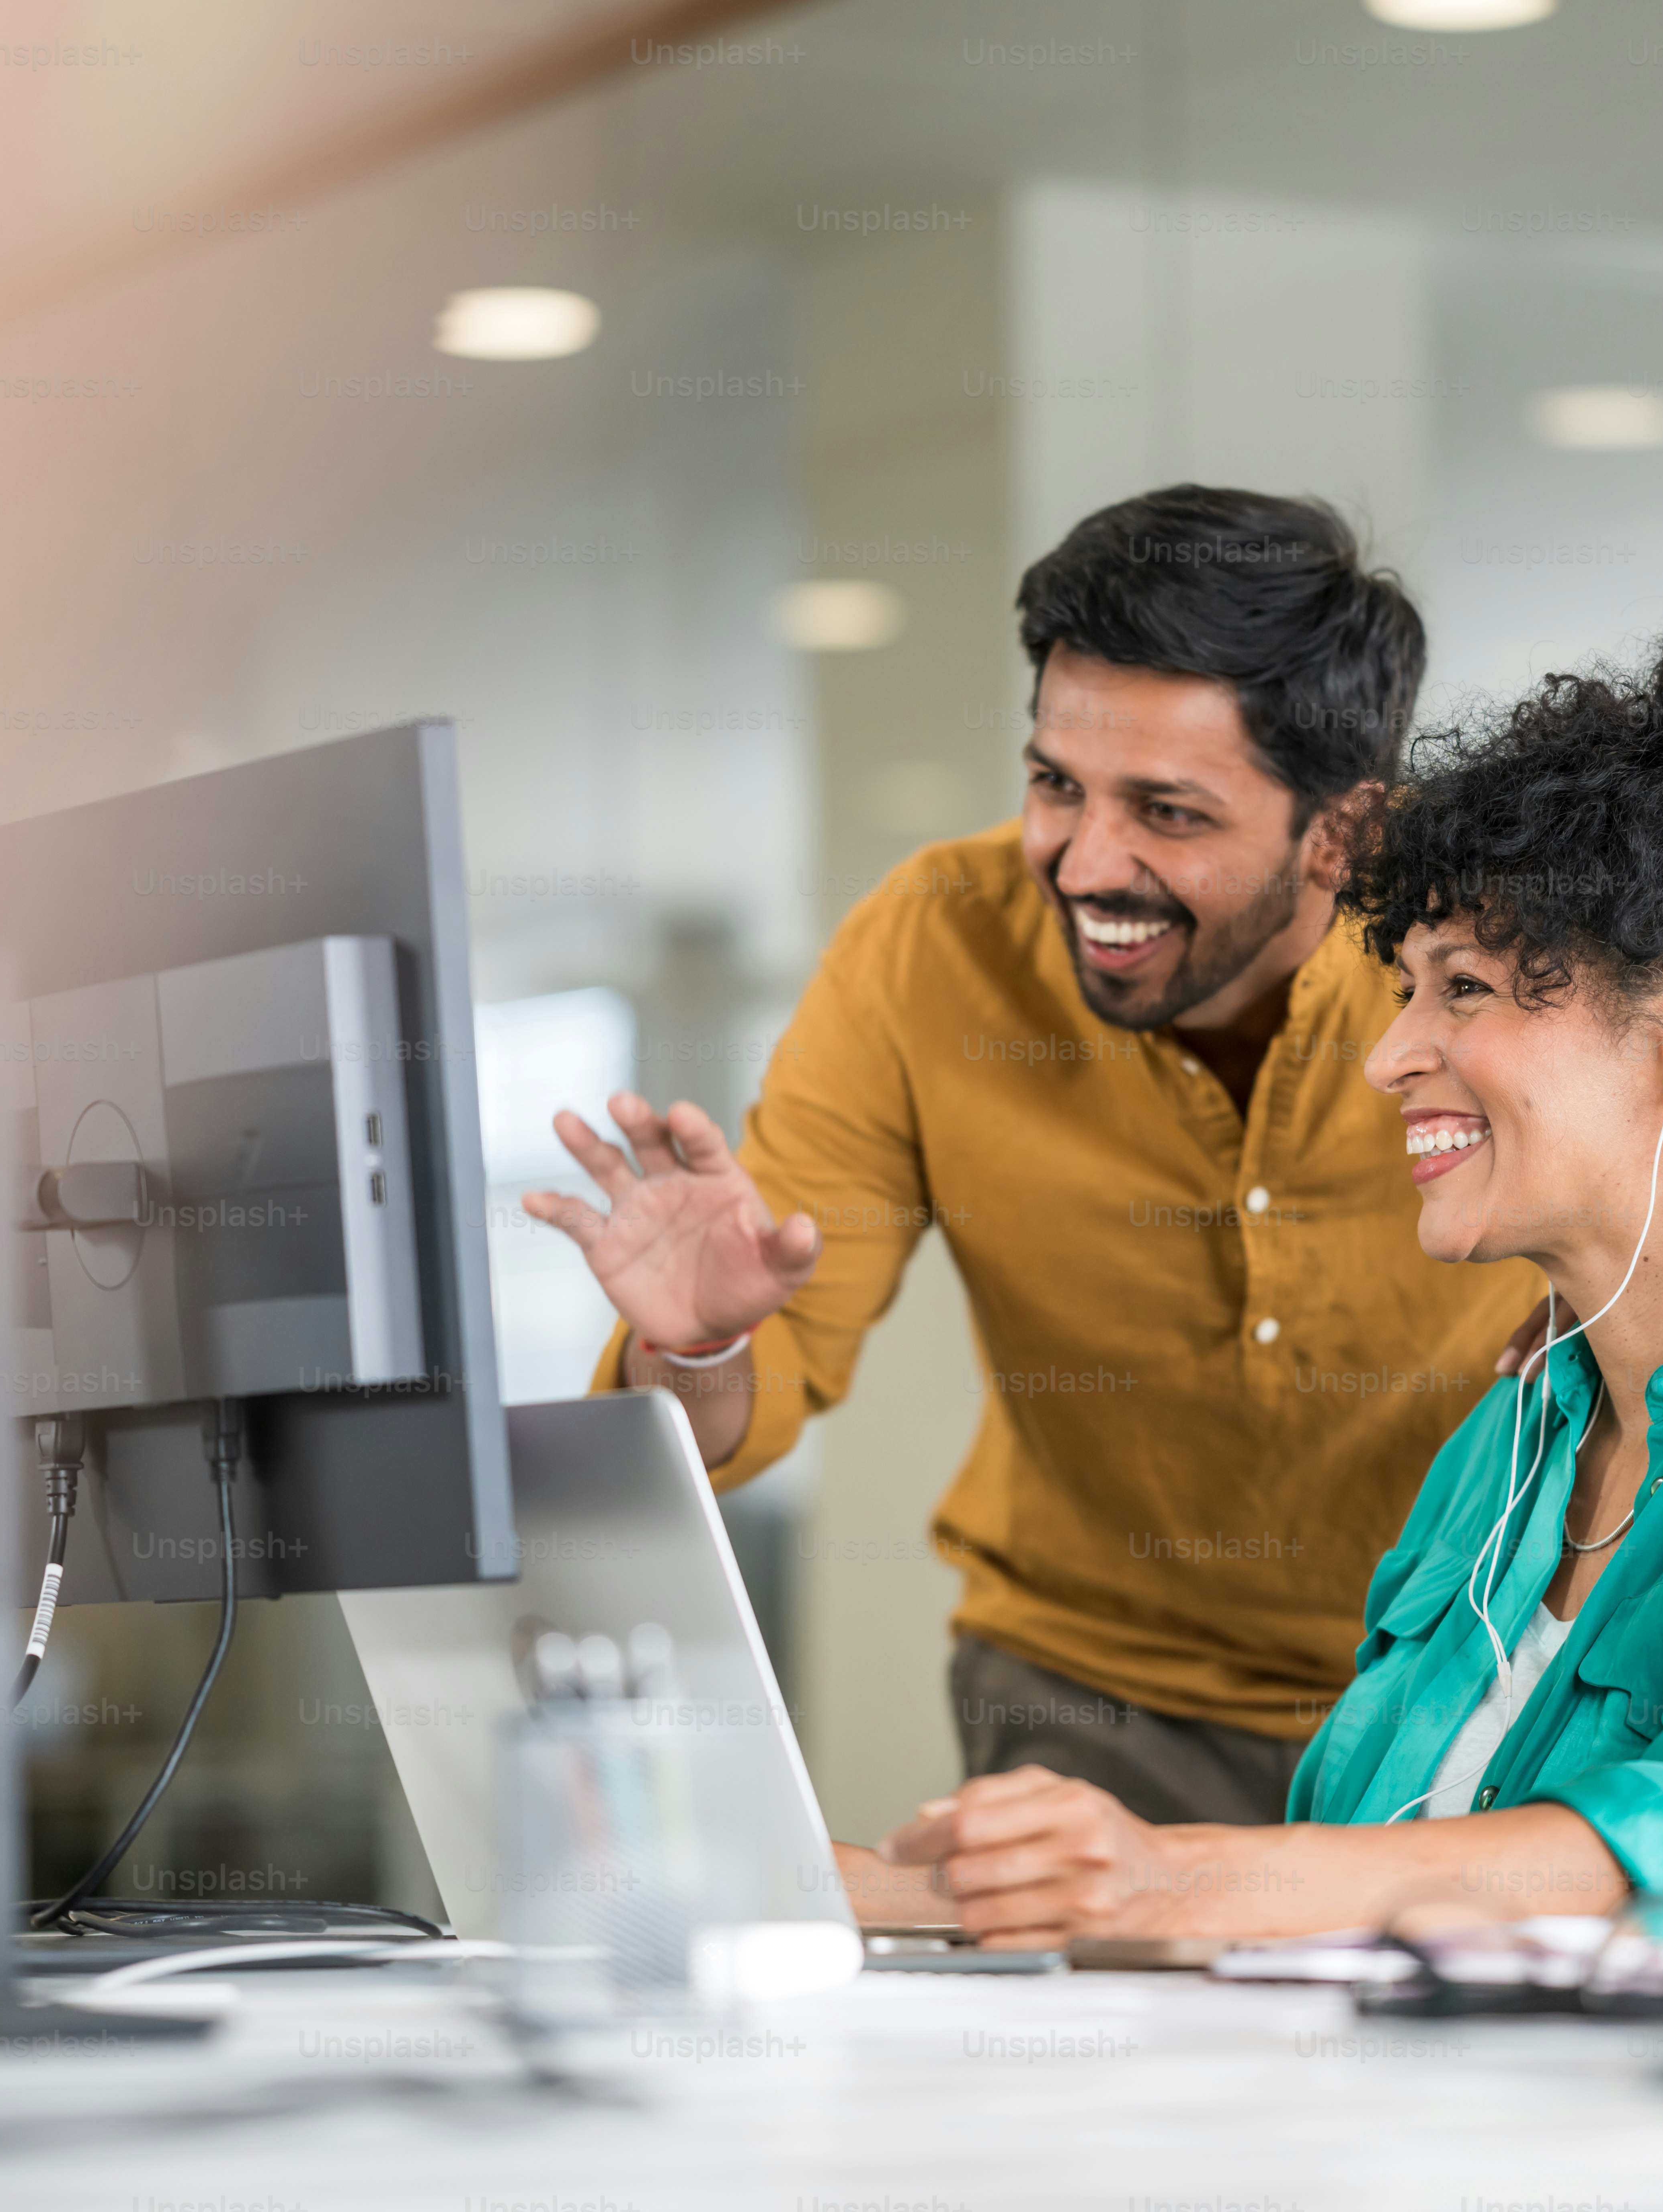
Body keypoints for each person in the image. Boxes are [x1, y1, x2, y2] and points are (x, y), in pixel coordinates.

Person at [862, 604, 1663, 1946]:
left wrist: (1162, 1876)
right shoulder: (1515, 1440)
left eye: (1462, 992)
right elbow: (1342, 1875)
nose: (1389, 1056)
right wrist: (886, 1890)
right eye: (1406, 989)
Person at [523, 486, 1548, 1827]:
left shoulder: (1508, 966)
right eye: (1056, 785)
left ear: (1342, 836)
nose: (1083, 863)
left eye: (1167, 813)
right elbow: (751, 1392)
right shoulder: (932, 946)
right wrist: (704, 1346)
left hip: (1467, 1695)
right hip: (1093, 1707)